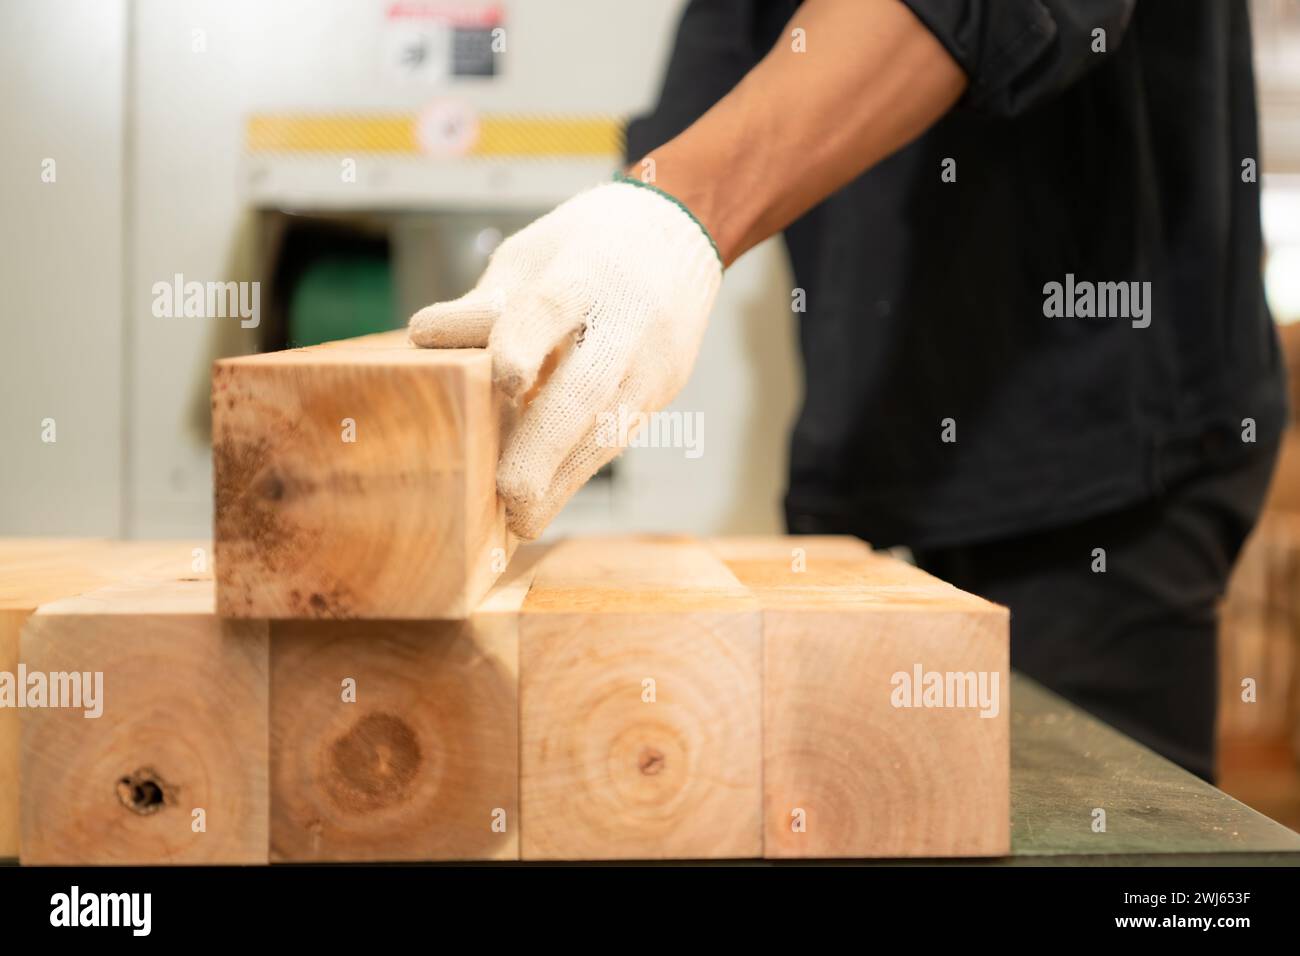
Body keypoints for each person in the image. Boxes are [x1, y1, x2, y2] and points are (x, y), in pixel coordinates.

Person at [408, 0, 1288, 782]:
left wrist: (683, 209)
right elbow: (729, 46)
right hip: (880, 441)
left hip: (1098, 444)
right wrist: (625, 223)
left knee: (1091, 838)